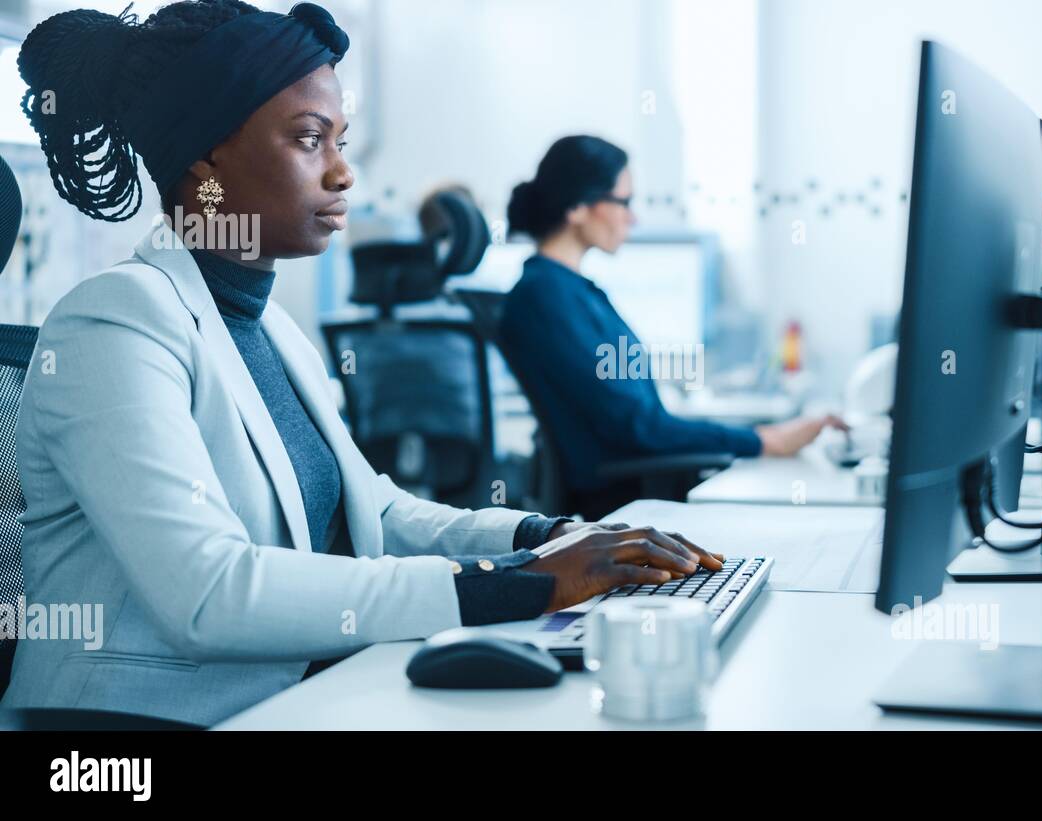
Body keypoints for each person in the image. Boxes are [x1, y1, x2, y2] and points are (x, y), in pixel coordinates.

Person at [1, 0, 718, 727]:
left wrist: (544, 536)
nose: (343, 174)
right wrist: (514, 586)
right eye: (311, 140)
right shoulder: (114, 320)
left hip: (289, 702)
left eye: (340, 140)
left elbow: (377, 511)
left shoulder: (272, 329)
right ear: (206, 158)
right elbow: (207, 590)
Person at [501, 135, 846, 518]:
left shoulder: (570, 292)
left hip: (635, 488)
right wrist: (765, 440)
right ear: (579, 206)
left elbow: (638, 419)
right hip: (624, 505)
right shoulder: (548, 298)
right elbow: (640, 428)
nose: (632, 217)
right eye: (624, 202)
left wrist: (760, 437)